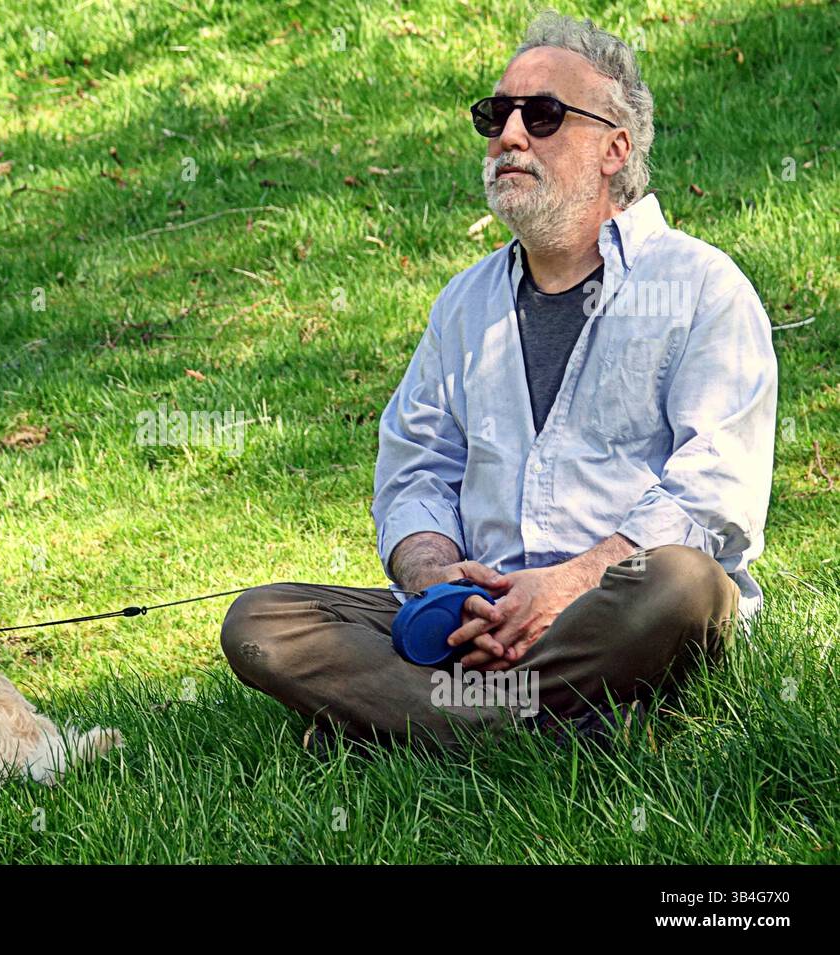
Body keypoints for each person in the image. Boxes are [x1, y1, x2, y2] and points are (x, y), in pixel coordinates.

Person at [219, 10, 777, 755]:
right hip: (473, 616)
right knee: (261, 624)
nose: (509, 136)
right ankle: (547, 723)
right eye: (496, 115)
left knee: (684, 584)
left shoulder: (703, 285)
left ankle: (411, 722)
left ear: (616, 147)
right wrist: (437, 574)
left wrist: (565, 586)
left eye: (542, 115)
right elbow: (416, 470)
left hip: (612, 607)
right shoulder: (464, 304)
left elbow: (717, 495)